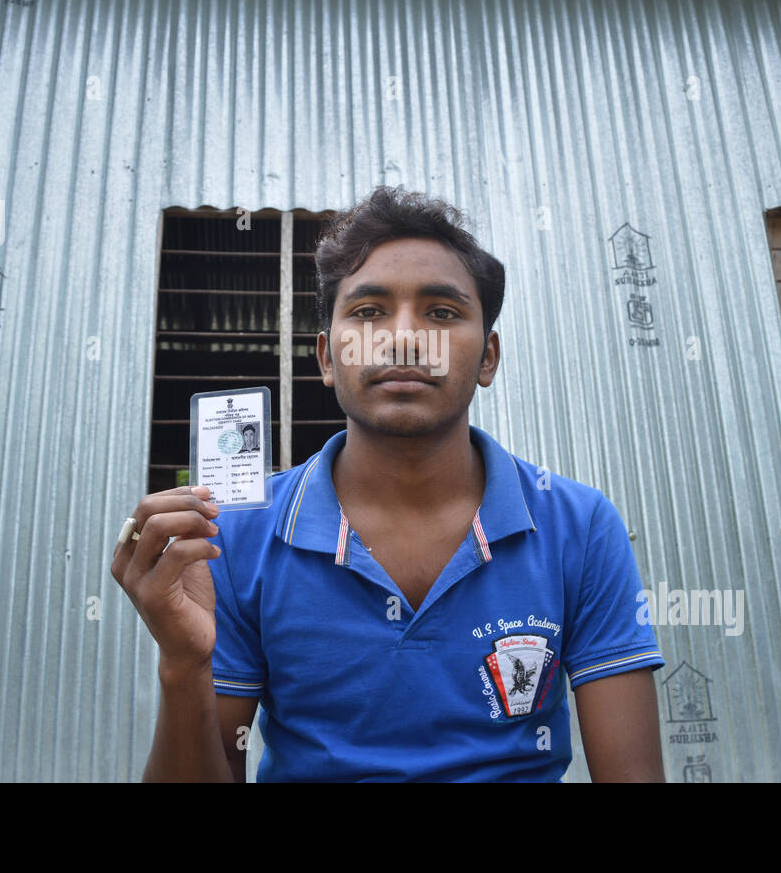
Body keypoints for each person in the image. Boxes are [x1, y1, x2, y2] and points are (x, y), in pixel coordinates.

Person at [111, 185, 665, 782]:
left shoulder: (577, 526)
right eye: (369, 311)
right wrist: (183, 664)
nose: (404, 338)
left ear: (488, 358)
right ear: (327, 358)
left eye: (443, 312)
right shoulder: (234, 534)